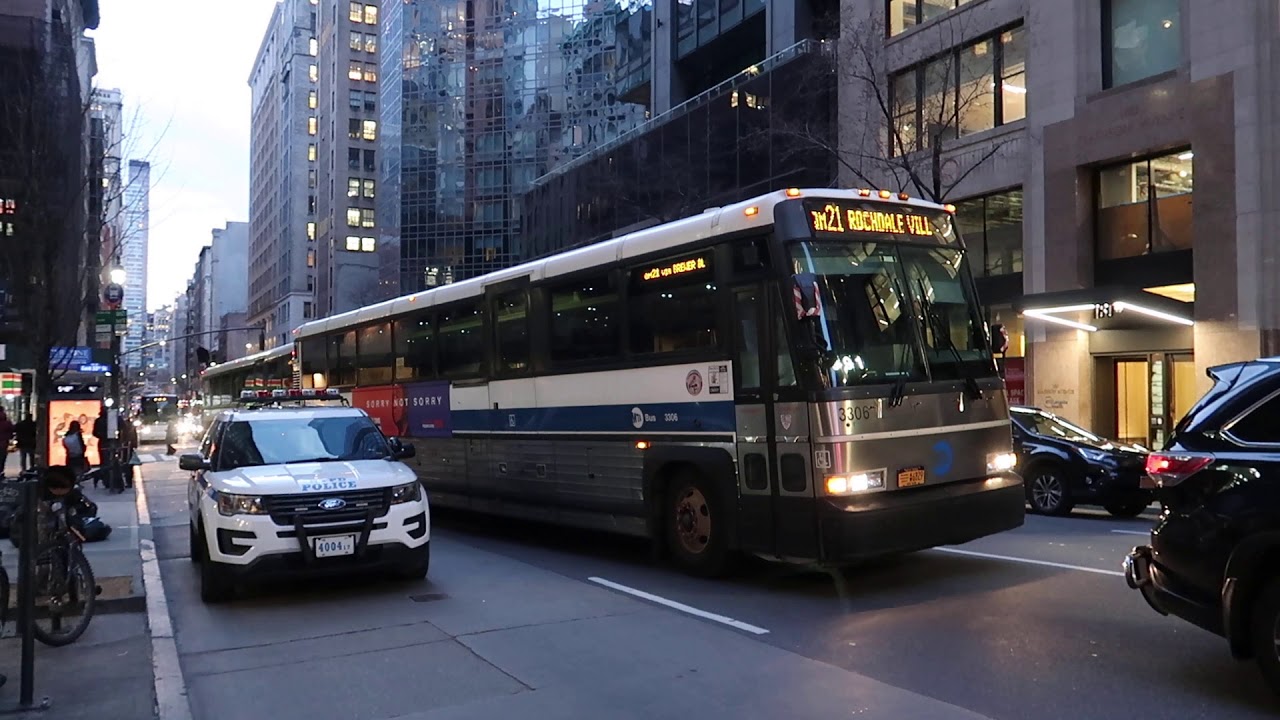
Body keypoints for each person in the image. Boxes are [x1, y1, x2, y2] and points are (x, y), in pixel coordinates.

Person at [0, 408, 14, 477]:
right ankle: (1, 471)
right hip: (4, 443)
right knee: (2, 458)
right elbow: (11, 430)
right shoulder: (7, 423)